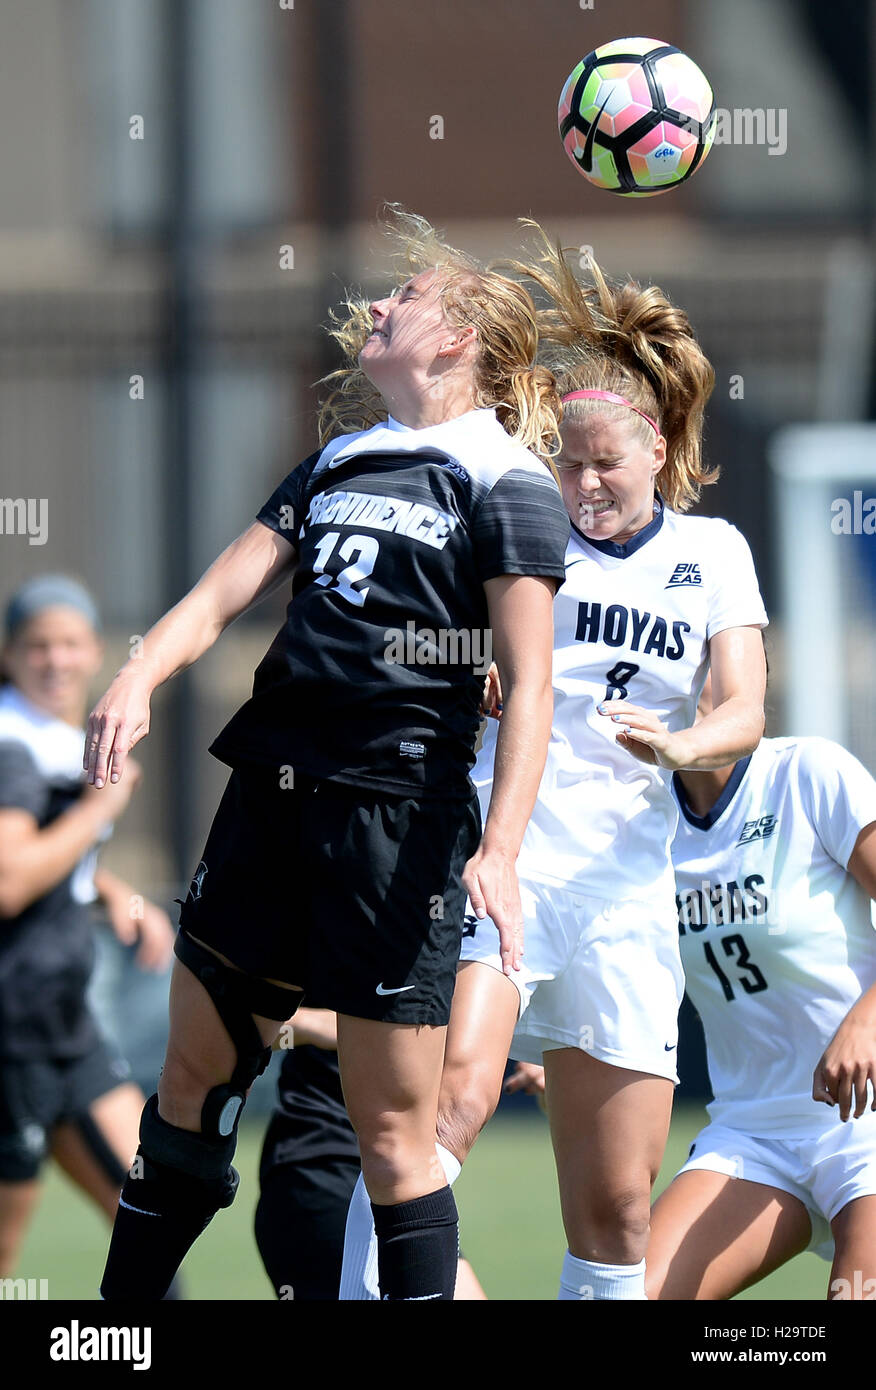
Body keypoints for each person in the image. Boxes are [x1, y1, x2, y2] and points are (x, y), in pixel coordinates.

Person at [86, 208, 571, 1302]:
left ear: (458, 341)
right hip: (269, 794)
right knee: (191, 1085)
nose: (383, 304)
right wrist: (137, 675)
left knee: (393, 1131)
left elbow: (529, 678)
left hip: (396, 816)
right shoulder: (338, 460)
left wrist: (499, 846)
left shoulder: (506, 481)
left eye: (410, 298)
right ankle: (111, 1331)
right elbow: (219, 595)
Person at [339, 231, 768, 1301]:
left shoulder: (711, 555)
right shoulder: (523, 521)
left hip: (627, 890)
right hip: (506, 859)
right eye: (566, 461)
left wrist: (682, 744)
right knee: (452, 1110)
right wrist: (468, 667)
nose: (579, 481)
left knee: (620, 1210)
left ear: (658, 450)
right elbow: (428, 642)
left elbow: (747, 710)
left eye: (602, 463)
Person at [645, 679, 876, 1301]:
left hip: (868, 1118)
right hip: (755, 1130)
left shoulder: (808, 774)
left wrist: (866, 1020)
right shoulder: (640, 819)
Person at [0, 575, 174, 1279]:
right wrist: (102, 809)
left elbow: (48, 852)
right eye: (36, 645)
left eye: (70, 643)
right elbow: (10, 880)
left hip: (65, 1026)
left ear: (96, 651)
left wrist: (116, 893)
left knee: (158, 1211)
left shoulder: (55, 737)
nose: (56, 660)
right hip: (14, 1032)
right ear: (10, 656)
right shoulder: (13, 743)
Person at [255, 1006, 486, 1299]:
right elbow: (246, 1018)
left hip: (409, 1188)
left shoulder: (462, 965)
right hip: (320, 1172)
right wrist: (313, 1023)